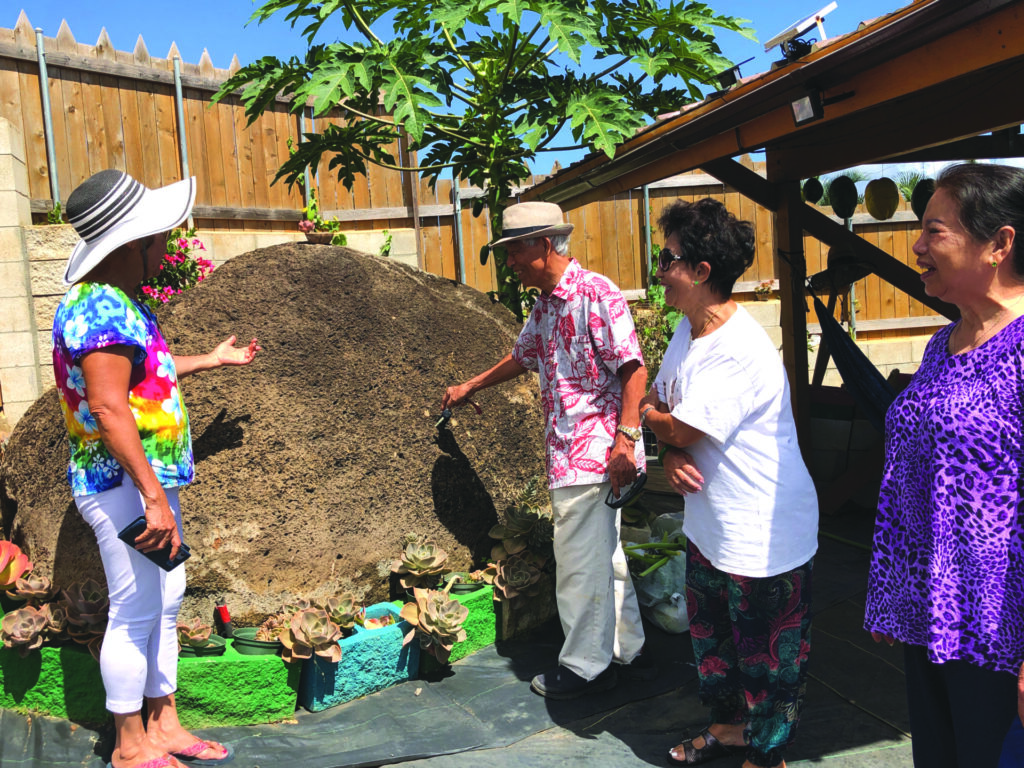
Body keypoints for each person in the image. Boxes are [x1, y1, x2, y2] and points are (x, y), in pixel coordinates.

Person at [52, 169, 259, 768]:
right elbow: (109, 406)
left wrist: (213, 361)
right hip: (122, 487)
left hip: (143, 486)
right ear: (131, 244)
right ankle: (129, 742)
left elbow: (146, 377)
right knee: (136, 606)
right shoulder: (98, 310)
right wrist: (153, 497)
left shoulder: (119, 304)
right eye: (159, 236)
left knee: (166, 596)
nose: (168, 245)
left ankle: (163, 721)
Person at [442, 201, 647, 700]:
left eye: (514, 249)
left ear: (545, 243)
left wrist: (626, 438)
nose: (509, 261)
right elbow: (522, 356)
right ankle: (628, 648)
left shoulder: (596, 294)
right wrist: (472, 384)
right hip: (572, 454)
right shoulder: (546, 304)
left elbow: (634, 369)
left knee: (578, 565)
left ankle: (585, 668)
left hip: (594, 455)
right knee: (606, 556)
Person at [639, 198, 818, 768]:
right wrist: (667, 445)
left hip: (762, 529)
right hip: (711, 524)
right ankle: (729, 729)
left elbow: (678, 422)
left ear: (701, 271)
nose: (659, 273)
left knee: (769, 657)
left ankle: (768, 756)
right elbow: (658, 404)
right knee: (713, 644)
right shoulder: (687, 333)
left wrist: (665, 431)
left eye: (665, 261)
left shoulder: (738, 350)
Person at [864, 162, 1024, 768]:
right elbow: (909, 477)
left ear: (999, 244)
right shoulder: (941, 343)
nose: (917, 245)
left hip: (998, 629)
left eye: (935, 230)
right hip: (930, 617)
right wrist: (890, 593)